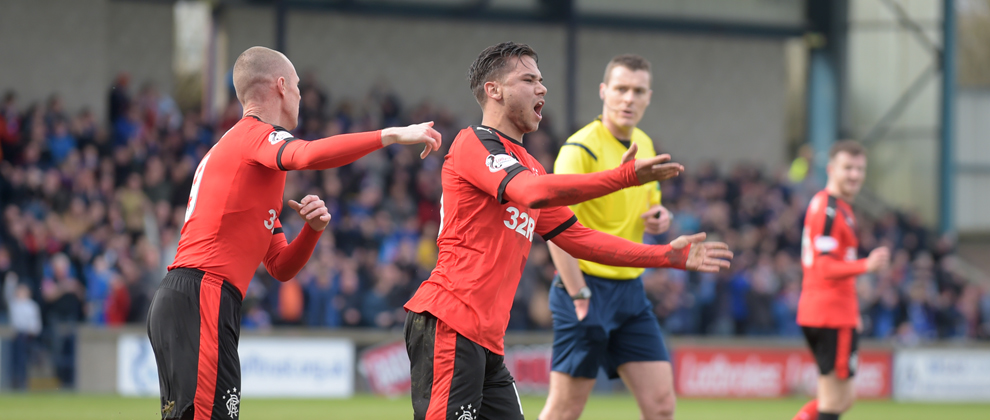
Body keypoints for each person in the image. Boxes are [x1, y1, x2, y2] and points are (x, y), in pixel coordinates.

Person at [403, 42, 733, 420]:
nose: (542, 88)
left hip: (487, 338)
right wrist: (622, 177)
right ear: (494, 90)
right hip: (449, 321)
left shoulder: (530, 165)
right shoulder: (473, 143)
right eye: (528, 79)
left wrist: (665, 256)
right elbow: (530, 193)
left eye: (542, 80)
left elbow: (580, 239)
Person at [146, 46, 442, 420]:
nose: (302, 95)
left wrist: (312, 231)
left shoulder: (248, 161)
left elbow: (280, 266)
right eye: (298, 85)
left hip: (194, 296)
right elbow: (307, 155)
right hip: (202, 293)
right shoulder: (254, 135)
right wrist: (392, 134)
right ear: (281, 86)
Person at [539, 54, 679, 420]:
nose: (628, 98)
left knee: (662, 406)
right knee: (565, 410)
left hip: (632, 294)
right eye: (620, 89)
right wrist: (578, 293)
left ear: (649, 96)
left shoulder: (646, 145)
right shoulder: (579, 148)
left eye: (637, 91)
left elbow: (650, 205)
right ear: (604, 91)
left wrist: (659, 218)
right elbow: (554, 227)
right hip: (585, 288)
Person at [791, 141, 890, 420]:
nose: (855, 175)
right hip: (829, 314)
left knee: (841, 398)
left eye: (860, 169)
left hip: (833, 311)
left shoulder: (838, 207)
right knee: (834, 402)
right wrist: (866, 265)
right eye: (848, 168)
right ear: (831, 169)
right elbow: (823, 266)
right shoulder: (829, 209)